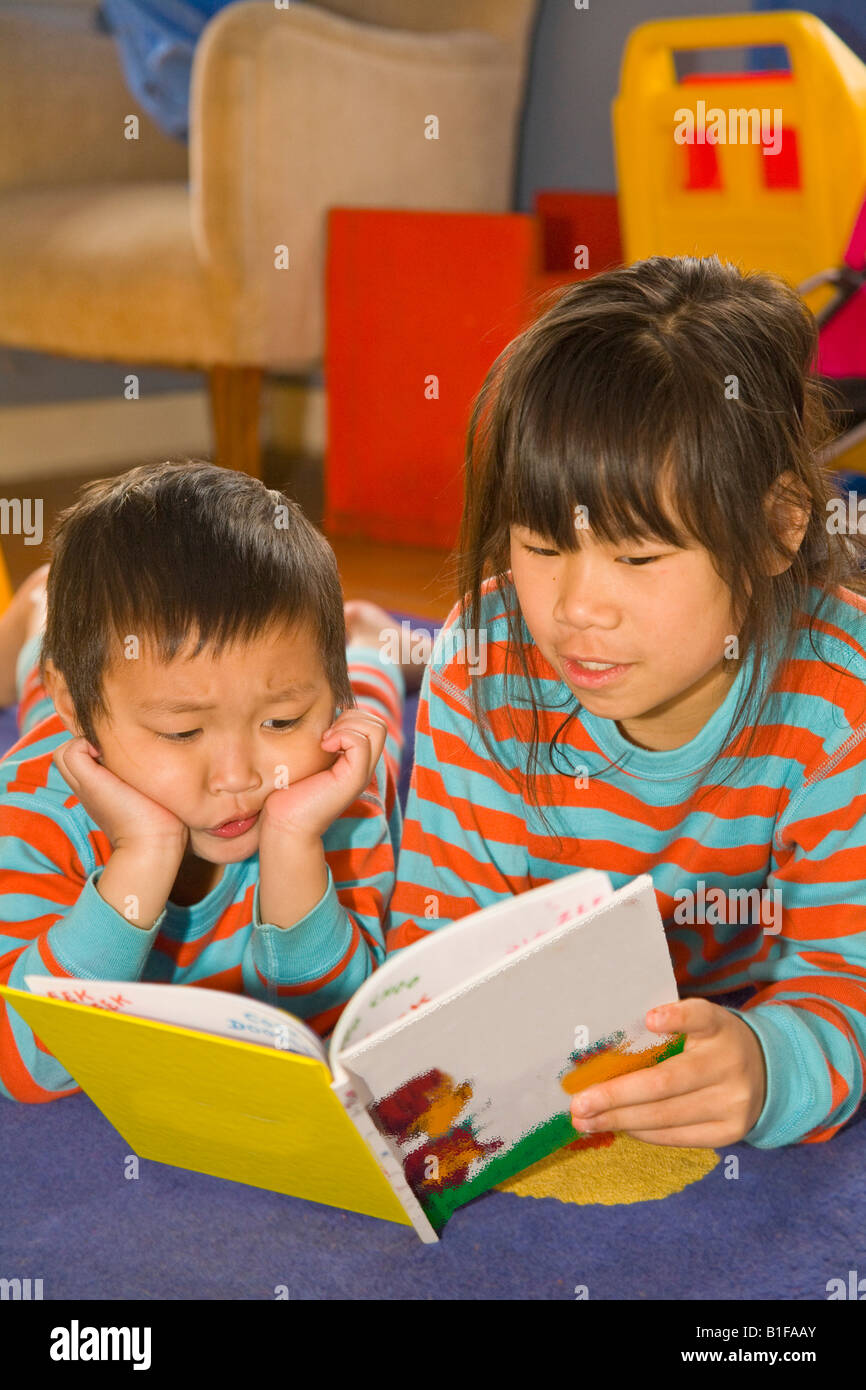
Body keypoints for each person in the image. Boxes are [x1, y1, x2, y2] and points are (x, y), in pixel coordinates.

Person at [387, 254, 866, 1152]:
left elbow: (849, 984)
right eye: (539, 545)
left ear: (777, 528)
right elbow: (437, 938)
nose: (577, 610)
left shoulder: (842, 707)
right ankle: (371, 657)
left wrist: (769, 1065)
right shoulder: (488, 657)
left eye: (638, 559)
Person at [0, 459, 420, 1102]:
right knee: (54, 702)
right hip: (76, 730)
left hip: (303, 700)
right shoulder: (29, 816)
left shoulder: (336, 789)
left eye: (282, 720)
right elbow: (26, 1066)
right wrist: (143, 852)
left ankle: (364, 643)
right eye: (183, 734)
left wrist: (293, 843)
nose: (238, 778)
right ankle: (39, 611)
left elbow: (334, 1025)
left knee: (372, 691)